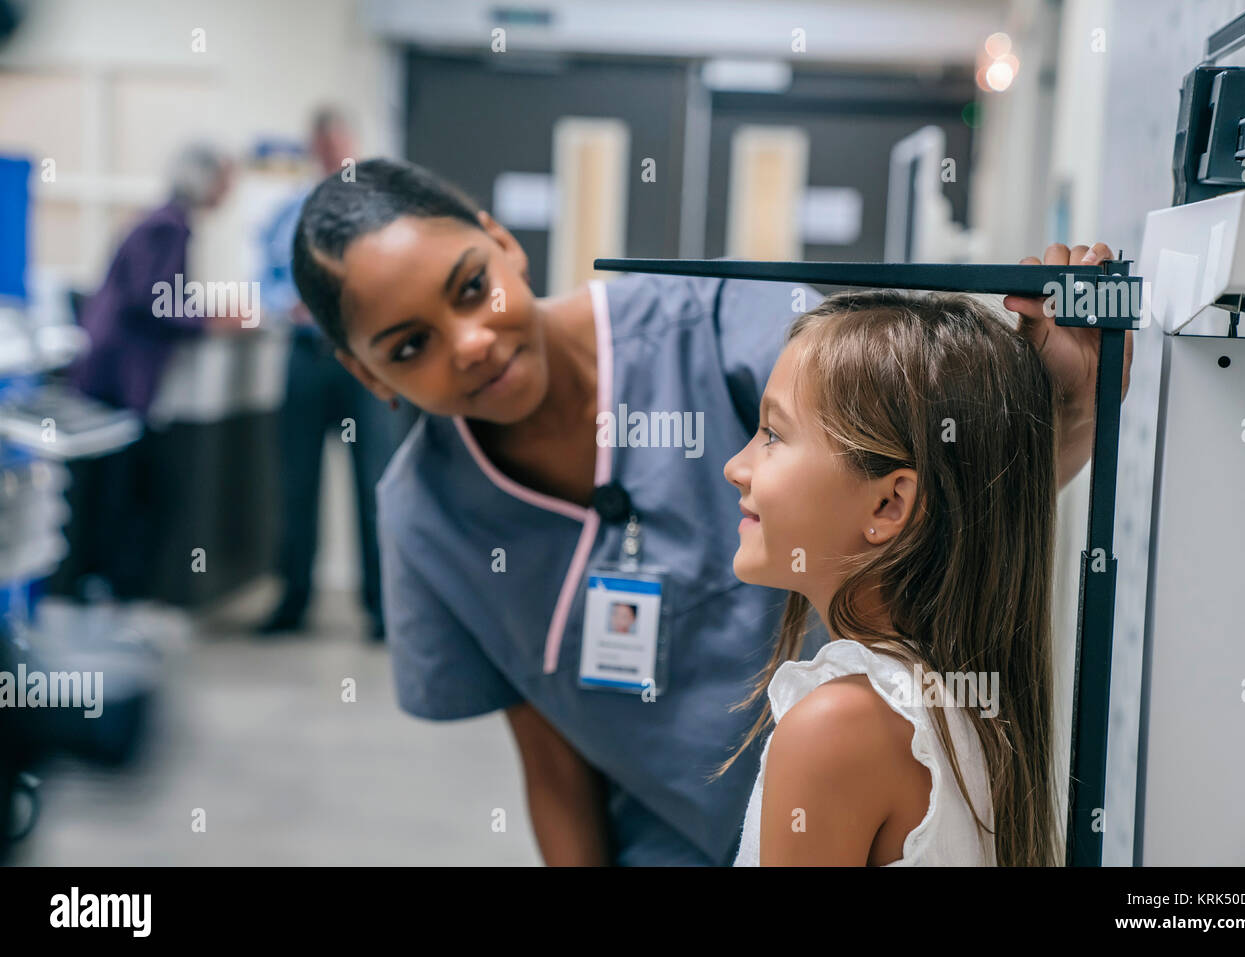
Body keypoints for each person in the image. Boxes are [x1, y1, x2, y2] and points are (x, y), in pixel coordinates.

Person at [289, 156, 1131, 865]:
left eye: (471, 286)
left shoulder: (726, 325)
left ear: (503, 243)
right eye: (408, 346)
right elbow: (552, 763)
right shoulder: (427, 521)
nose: (468, 340)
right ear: (366, 377)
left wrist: (1068, 408)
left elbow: (936, 506)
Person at [724, 290, 1059, 866]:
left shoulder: (837, 728)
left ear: (888, 506)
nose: (737, 467)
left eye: (774, 435)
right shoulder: (965, 698)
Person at [256, 108, 409, 639]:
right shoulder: (285, 214)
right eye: (322, 146)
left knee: (373, 483)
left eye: (337, 145)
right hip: (304, 358)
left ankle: (382, 611)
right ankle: (292, 602)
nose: (330, 155)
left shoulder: (381, 215)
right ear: (312, 149)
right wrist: (287, 303)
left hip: (361, 362)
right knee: (296, 483)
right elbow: (267, 280)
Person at [69, 142, 243, 601]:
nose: (230, 192)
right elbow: (151, 300)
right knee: (120, 492)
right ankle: (104, 593)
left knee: (120, 489)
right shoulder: (168, 228)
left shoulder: (164, 223)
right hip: (118, 377)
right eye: (225, 180)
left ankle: (103, 590)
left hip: (115, 375)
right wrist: (212, 322)